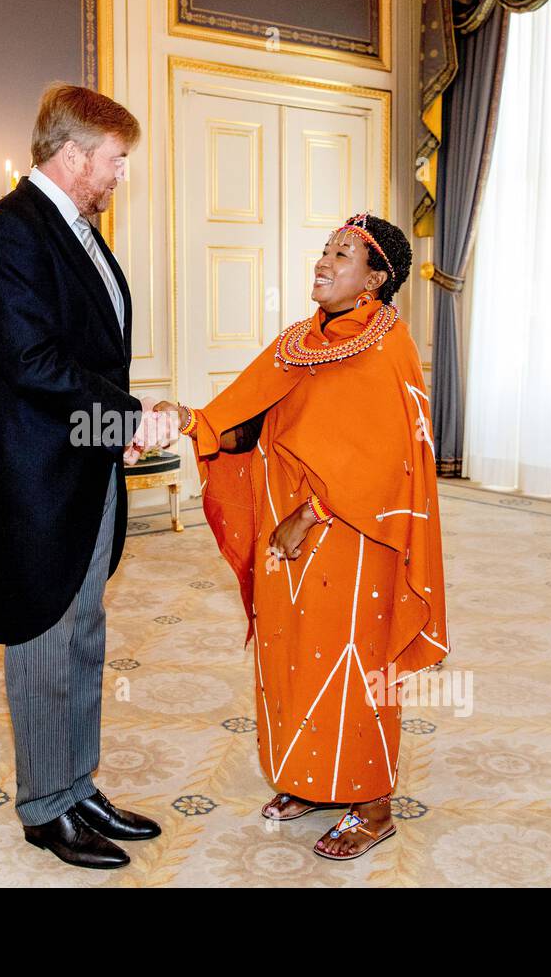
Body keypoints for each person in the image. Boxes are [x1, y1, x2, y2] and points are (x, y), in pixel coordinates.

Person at [144, 213, 450, 861]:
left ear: (376, 279)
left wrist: (306, 518)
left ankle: (371, 804)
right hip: (285, 540)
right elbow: (243, 419)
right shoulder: (297, 341)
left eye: (343, 255)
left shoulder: (387, 346)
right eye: (324, 250)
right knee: (293, 658)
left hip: (352, 539)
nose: (324, 262)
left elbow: (386, 460)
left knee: (353, 667)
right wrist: (188, 421)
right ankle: (313, 779)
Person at [0, 83, 173, 870]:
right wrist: (127, 416)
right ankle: (45, 807)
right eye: (117, 160)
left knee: (83, 634)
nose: (122, 174)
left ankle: (76, 783)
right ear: (77, 153)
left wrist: (113, 424)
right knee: (44, 637)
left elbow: (86, 354)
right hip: (34, 480)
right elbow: (30, 362)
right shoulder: (10, 229)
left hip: (82, 466)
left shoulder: (77, 228)